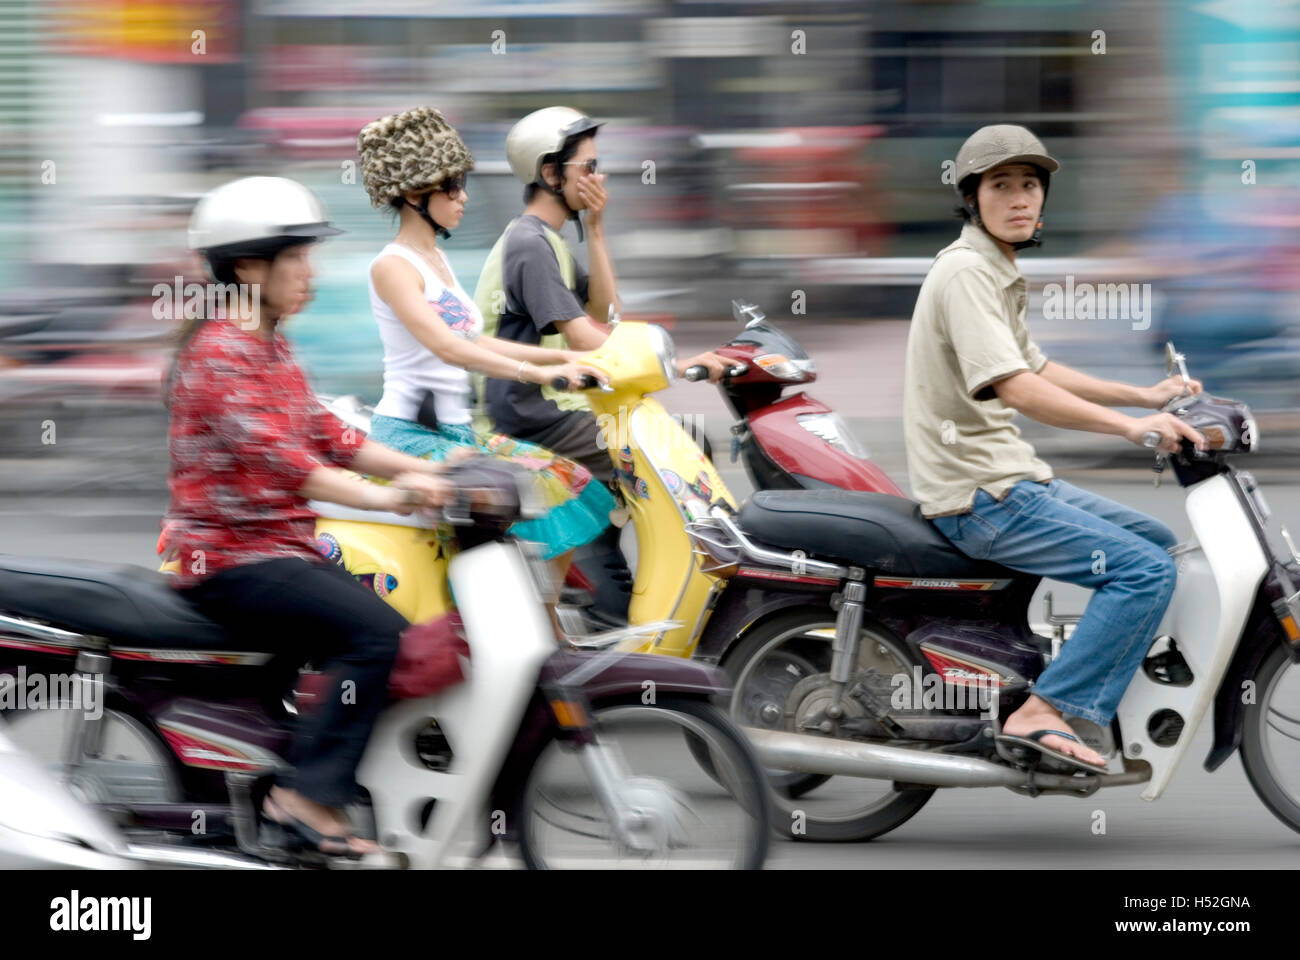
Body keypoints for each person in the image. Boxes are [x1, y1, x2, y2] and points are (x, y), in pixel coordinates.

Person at [164, 175, 455, 857]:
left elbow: (330, 434)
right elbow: (289, 463)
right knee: (376, 634)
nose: (309, 273)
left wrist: (428, 470)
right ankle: (306, 796)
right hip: (232, 559)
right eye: (295, 257)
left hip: (277, 548)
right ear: (248, 267)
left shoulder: (269, 344)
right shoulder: (219, 354)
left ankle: (288, 773)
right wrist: (393, 498)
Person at [903, 125, 1207, 772]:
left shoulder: (993, 267)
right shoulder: (966, 273)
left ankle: (1090, 679)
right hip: (982, 494)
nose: (1019, 198)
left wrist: (1143, 397)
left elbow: (1036, 366)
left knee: (1158, 544)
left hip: (1010, 477)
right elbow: (1017, 389)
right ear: (971, 197)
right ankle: (1043, 711)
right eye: (1001, 185)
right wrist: (1130, 429)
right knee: (1145, 573)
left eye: (1030, 185)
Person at [473, 107, 730, 620]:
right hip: (526, 413)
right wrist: (677, 366)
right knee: (674, 451)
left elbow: (604, 312)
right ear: (551, 173)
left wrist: (595, 228)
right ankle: (605, 575)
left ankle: (598, 564)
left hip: (556, 406)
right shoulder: (528, 243)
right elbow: (589, 339)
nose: (599, 177)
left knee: (676, 446)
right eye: (587, 167)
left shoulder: (549, 240)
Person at [356, 106, 615, 569]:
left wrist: (559, 363)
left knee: (566, 479)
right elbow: (448, 347)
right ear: (414, 194)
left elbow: (475, 339)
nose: (464, 197)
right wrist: (536, 372)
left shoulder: (437, 260)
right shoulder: (391, 266)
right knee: (509, 505)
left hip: (456, 431)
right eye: (452, 187)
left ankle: (550, 612)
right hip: (412, 434)